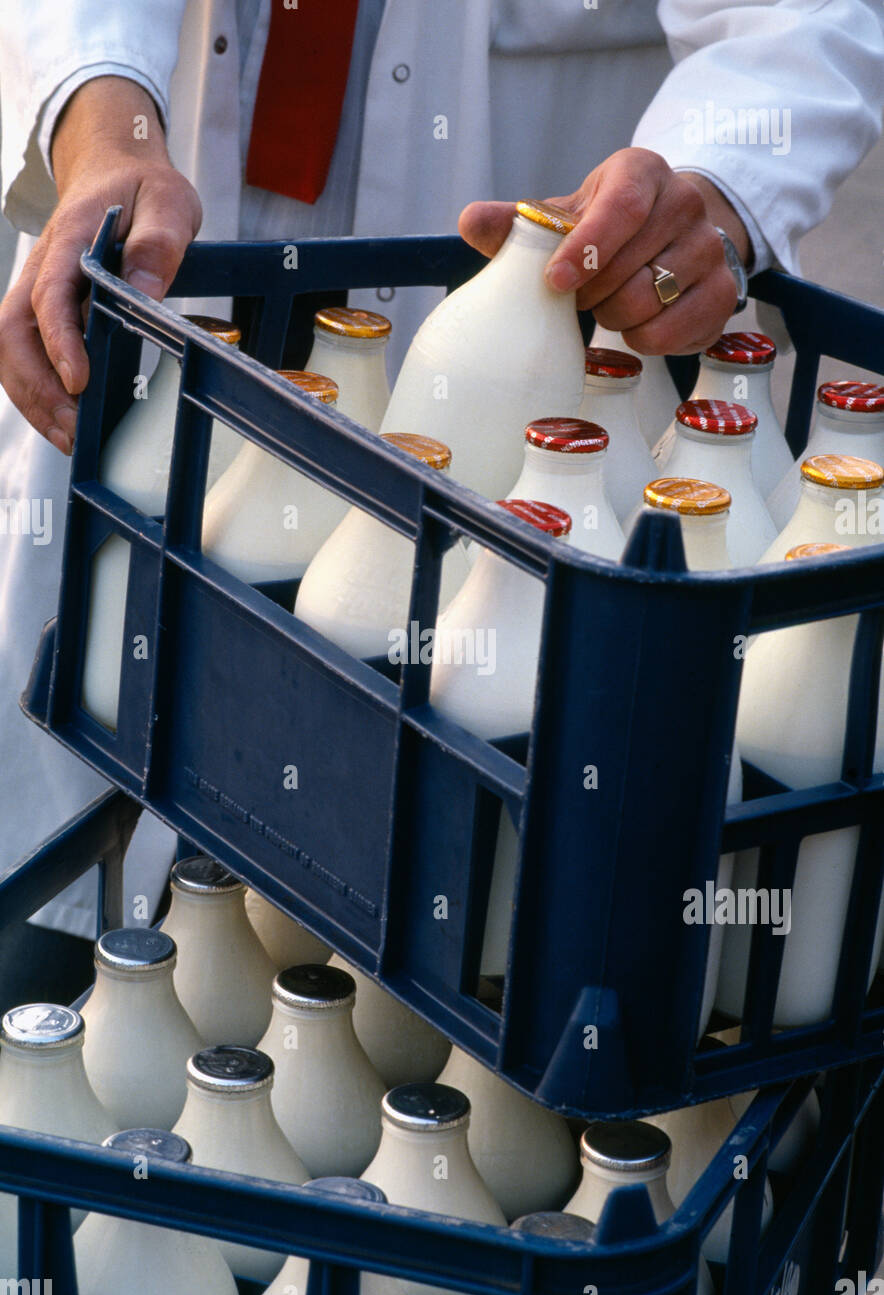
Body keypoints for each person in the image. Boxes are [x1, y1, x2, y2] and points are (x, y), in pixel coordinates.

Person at [0, 0, 881, 970]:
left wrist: (712, 189)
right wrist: (103, 124)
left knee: (434, 952)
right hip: (175, 280)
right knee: (72, 937)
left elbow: (799, 19)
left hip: (553, 332)